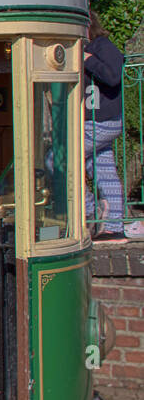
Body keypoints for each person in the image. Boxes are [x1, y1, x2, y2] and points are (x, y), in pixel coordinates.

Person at [84, 12, 127, 241]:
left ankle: (90, 210)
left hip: (99, 122)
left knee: (58, 161)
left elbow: (113, 76)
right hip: (97, 122)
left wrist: (88, 60)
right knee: (103, 168)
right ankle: (113, 227)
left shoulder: (102, 46)